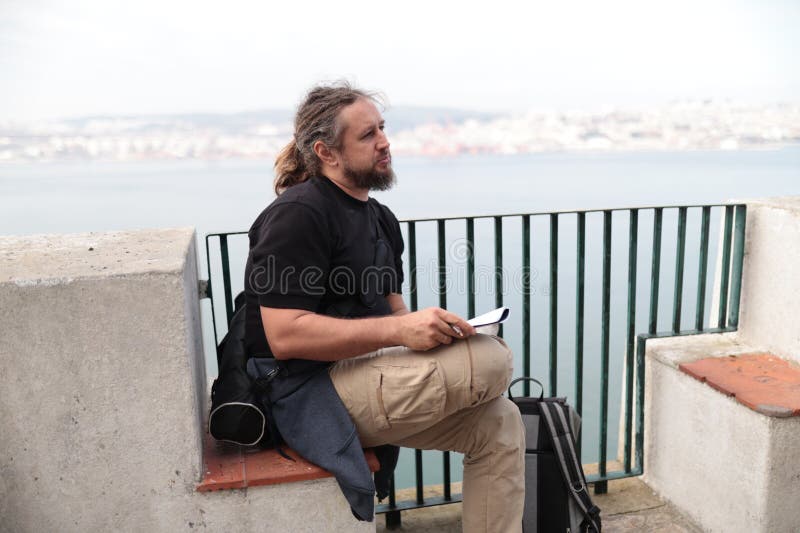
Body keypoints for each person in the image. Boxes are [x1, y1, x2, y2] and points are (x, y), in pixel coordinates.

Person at [243, 81, 525, 532]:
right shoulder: (299, 214)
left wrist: (428, 329)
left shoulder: (380, 219)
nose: (384, 142)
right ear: (327, 153)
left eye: (382, 129)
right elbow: (284, 334)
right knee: (491, 361)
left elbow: (394, 314)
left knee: (501, 422)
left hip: (362, 372)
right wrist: (399, 334)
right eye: (367, 135)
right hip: (303, 390)